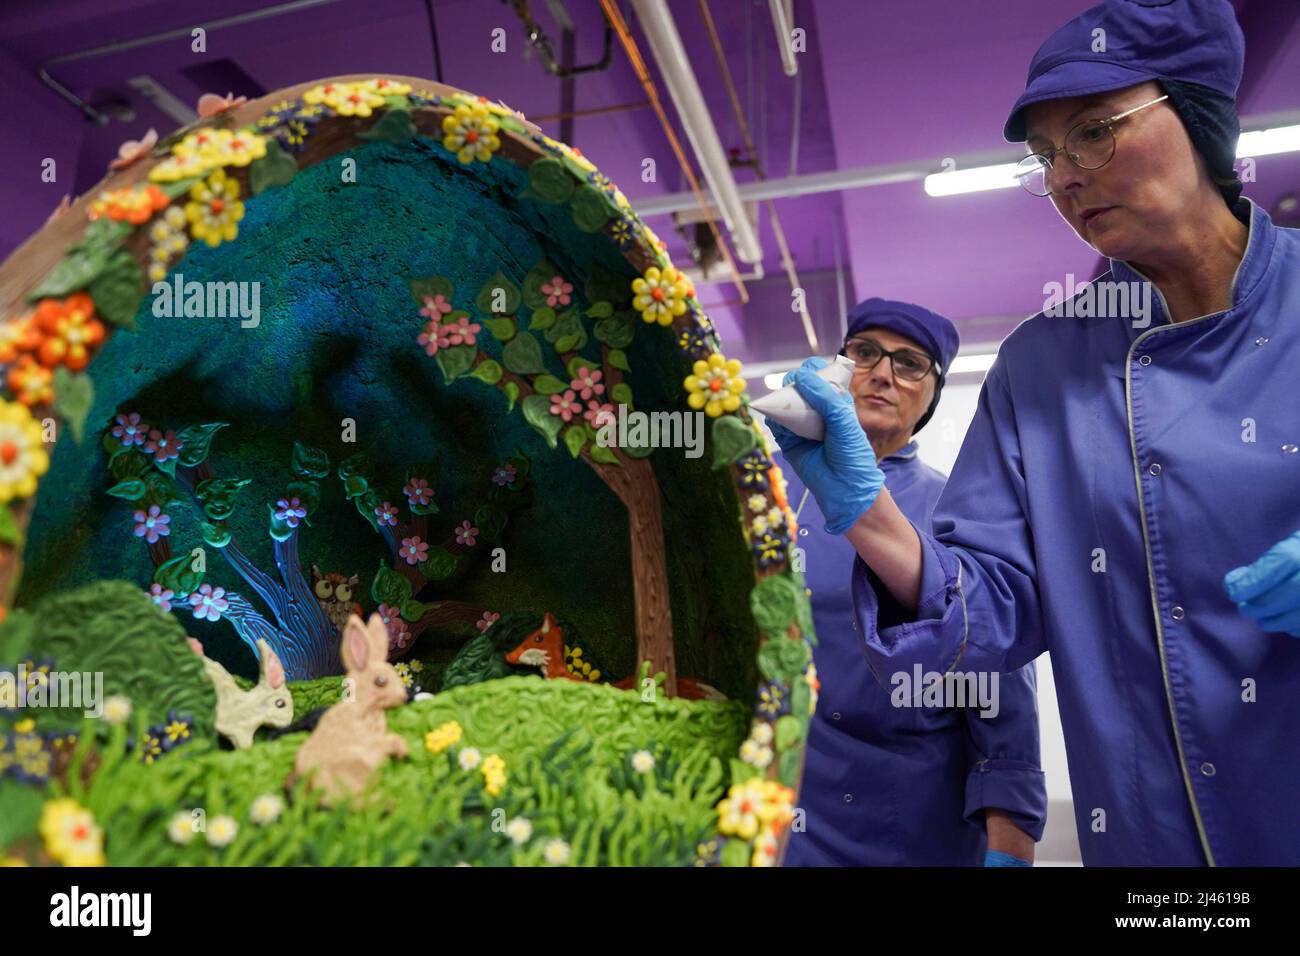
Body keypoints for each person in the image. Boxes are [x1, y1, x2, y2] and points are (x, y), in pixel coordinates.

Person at [771, 0, 1300, 866]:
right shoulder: (1040, 368)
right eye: (1046, 156)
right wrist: (865, 511)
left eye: (1094, 131)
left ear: (1200, 115)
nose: (1065, 177)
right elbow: (993, 613)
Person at [779, 299, 1046, 867]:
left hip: (904, 812)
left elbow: (999, 673)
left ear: (933, 394)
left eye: (909, 363)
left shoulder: (954, 508)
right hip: (769, 805)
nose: (881, 372)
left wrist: (1011, 828)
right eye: (865, 353)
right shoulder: (765, 488)